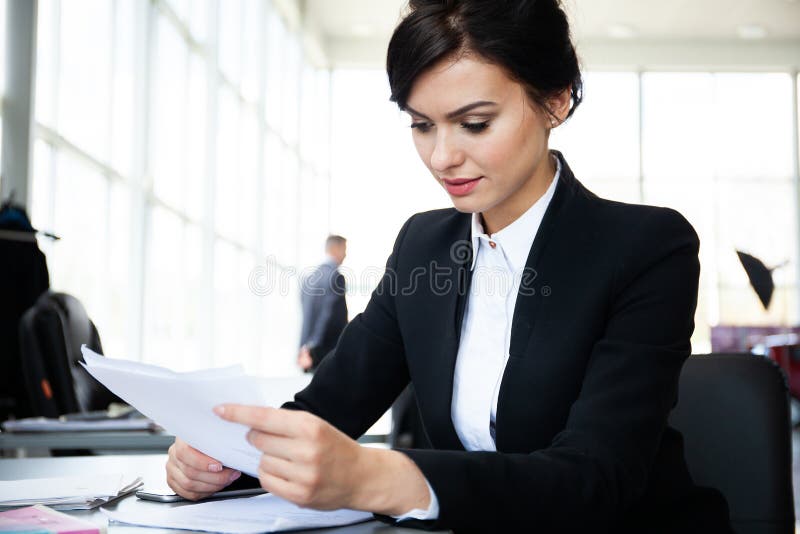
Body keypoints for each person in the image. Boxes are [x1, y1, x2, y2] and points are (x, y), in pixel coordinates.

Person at [166, 1, 733, 531]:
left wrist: (384, 477)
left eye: (475, 123)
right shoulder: (424, 245)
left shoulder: (647, 246)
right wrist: (229, 458)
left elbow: (596, 479)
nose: (442, 157)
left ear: (555, 101)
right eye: (422, 125)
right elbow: (329, 408)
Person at [297, 235, 348, 372]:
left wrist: (306, 346)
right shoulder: (337, 277)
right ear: (334, 249)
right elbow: (332, 317)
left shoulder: (308, 278)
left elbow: (306, 315)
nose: (345, 254)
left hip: (308, 349)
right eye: (344, 249)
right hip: (327, 350)